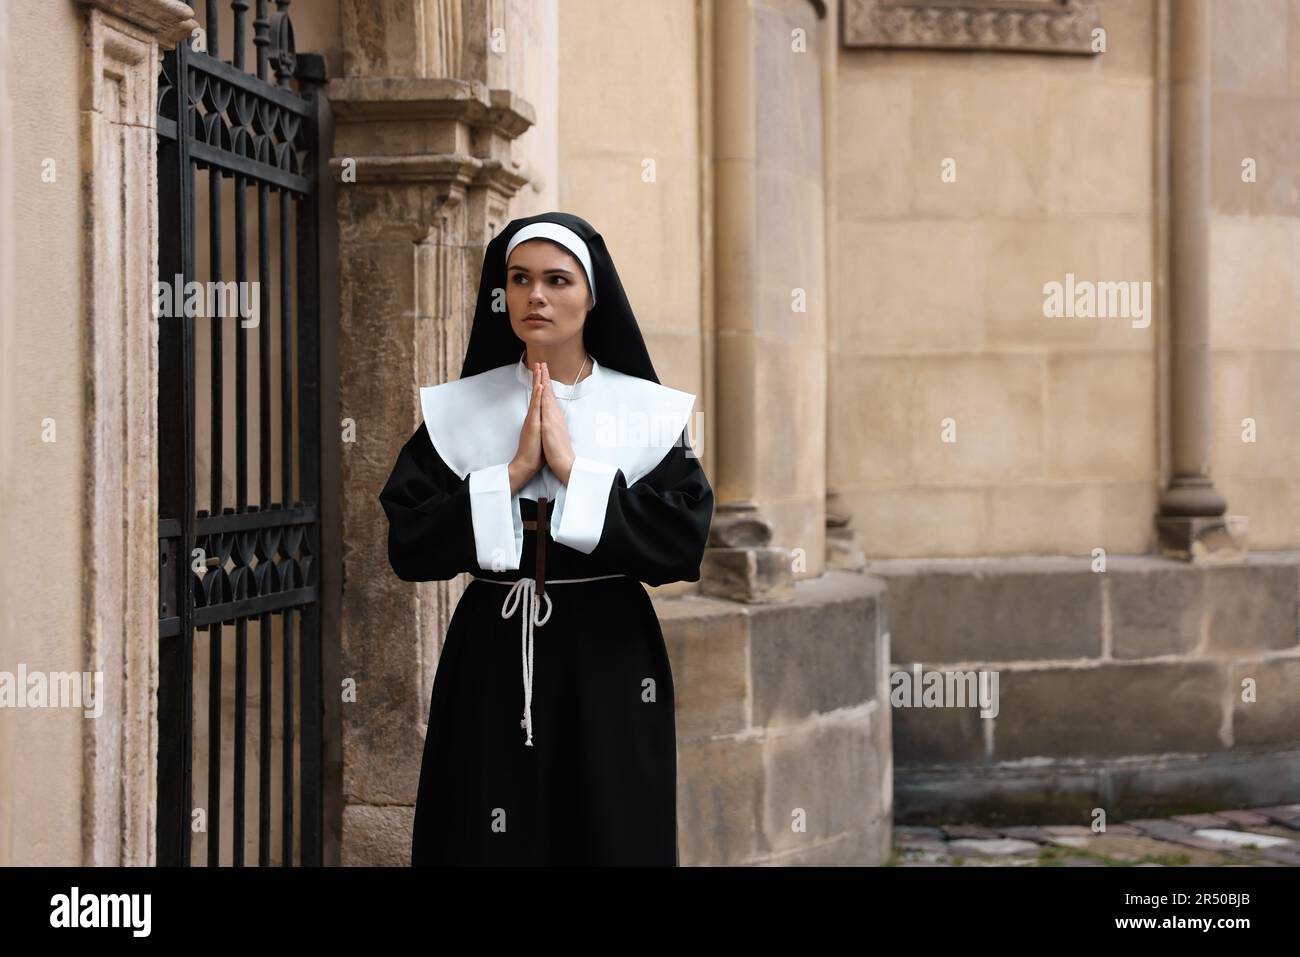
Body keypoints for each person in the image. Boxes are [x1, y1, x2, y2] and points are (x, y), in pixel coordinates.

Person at [378, 211, 714, 866]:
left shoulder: (644, 410)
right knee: (483, 826)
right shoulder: (461, 410)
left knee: (609, 826)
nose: (536, 296)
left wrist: (572, 471)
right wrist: (507, 475)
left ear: (592, 296)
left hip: (612, 658)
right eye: (520, 278)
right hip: (492, 652)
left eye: (557, 280)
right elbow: (409, 540)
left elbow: (682, 541)